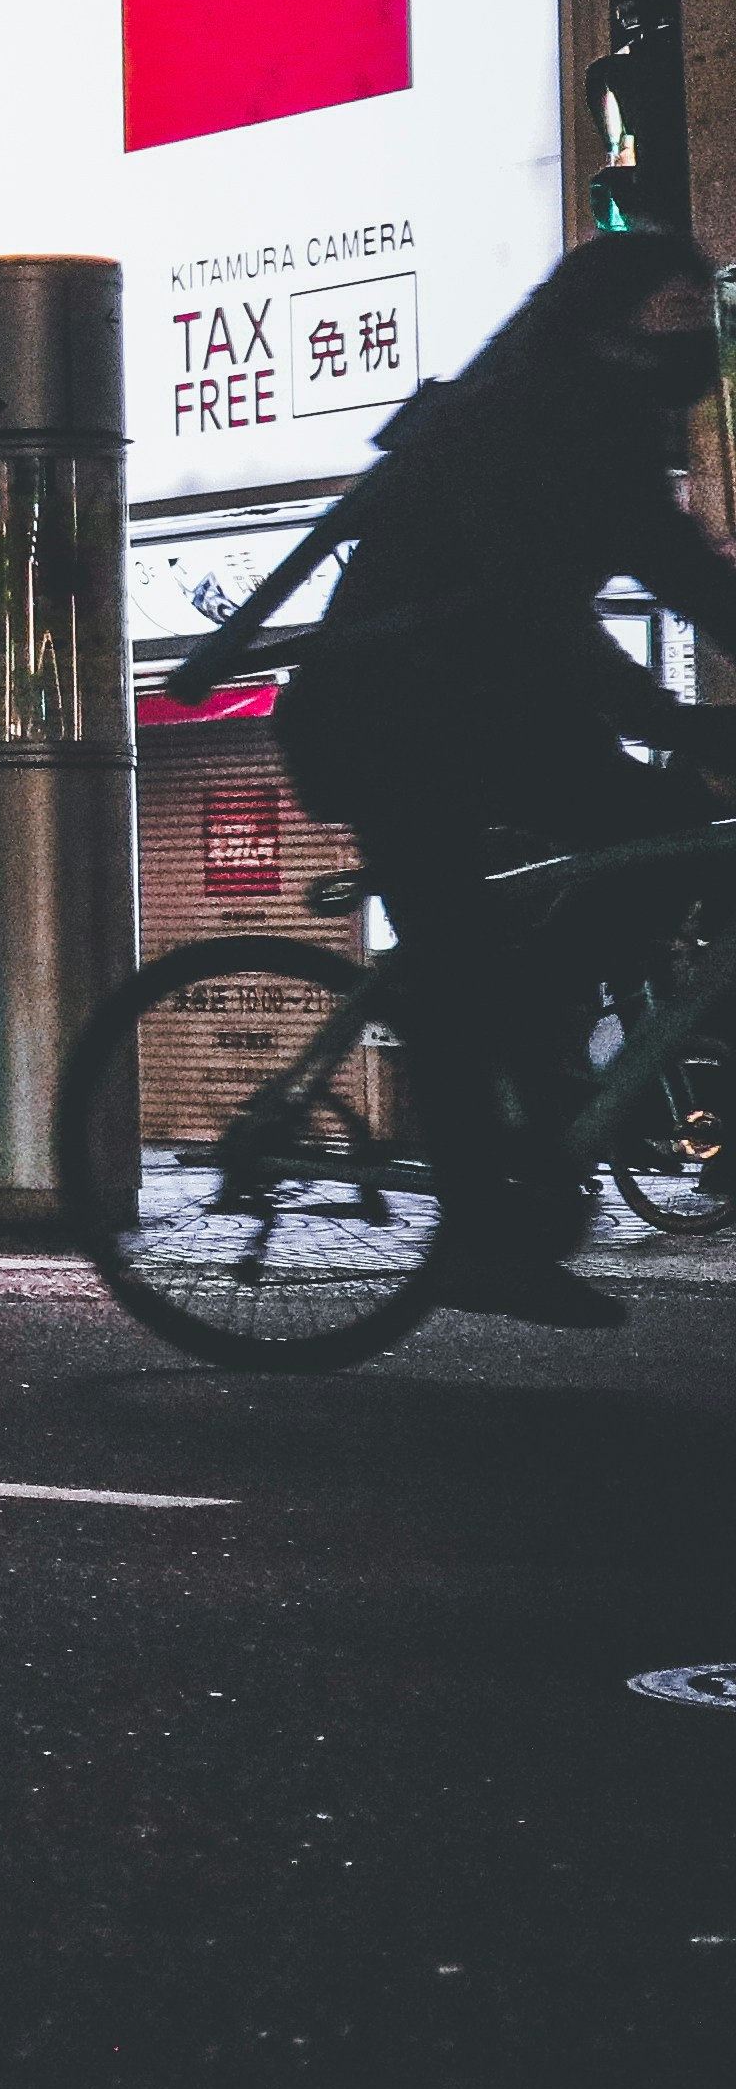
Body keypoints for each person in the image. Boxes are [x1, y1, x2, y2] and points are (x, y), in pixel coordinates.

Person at [267, 227, 736, 1326]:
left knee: (667, 831)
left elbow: (685, 575)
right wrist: (667, 714)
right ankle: (480, 1221)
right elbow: (532, 604)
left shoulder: (611, 425)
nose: (689, 351)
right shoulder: (513, 417)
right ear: (609, 330)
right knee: (460, 957)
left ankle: (537, 1036)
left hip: (499, 711)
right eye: (673, 325)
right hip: (387, 718)